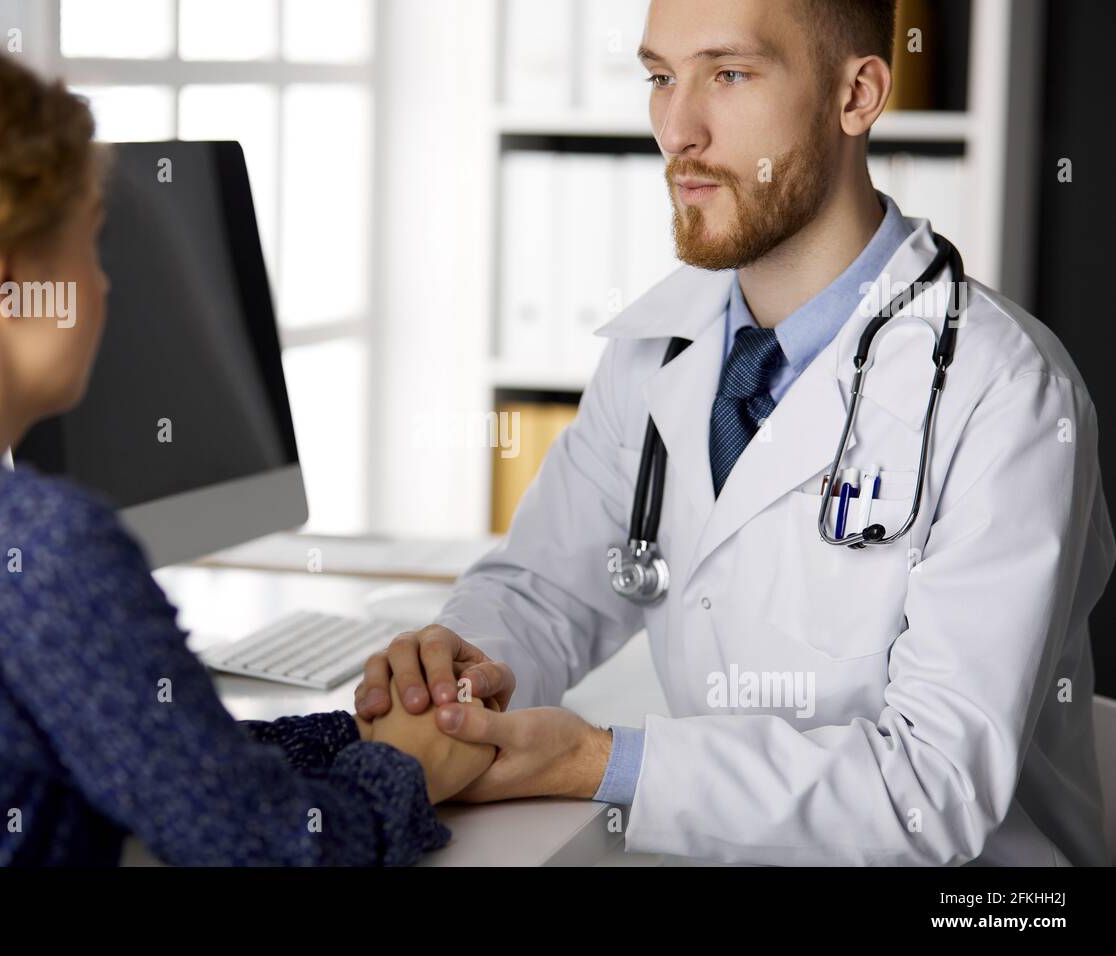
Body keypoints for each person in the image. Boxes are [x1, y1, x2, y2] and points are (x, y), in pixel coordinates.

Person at [355, 0, 1115, 866]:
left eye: (729, 74)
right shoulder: (657, 350)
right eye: (659, 77)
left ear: (857, 95)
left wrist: (593, 761)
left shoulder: (1005, 392)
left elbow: (930, 790)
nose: (676, 130)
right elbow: (545, 591)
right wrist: (456, 673)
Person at [0, 34, 491, 866]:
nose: (104, 284)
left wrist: (348, 733)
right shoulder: (30, 549)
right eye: (89, 242)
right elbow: (272, 850)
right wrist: (406, 772)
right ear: (4, 283)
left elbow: (149, 755)